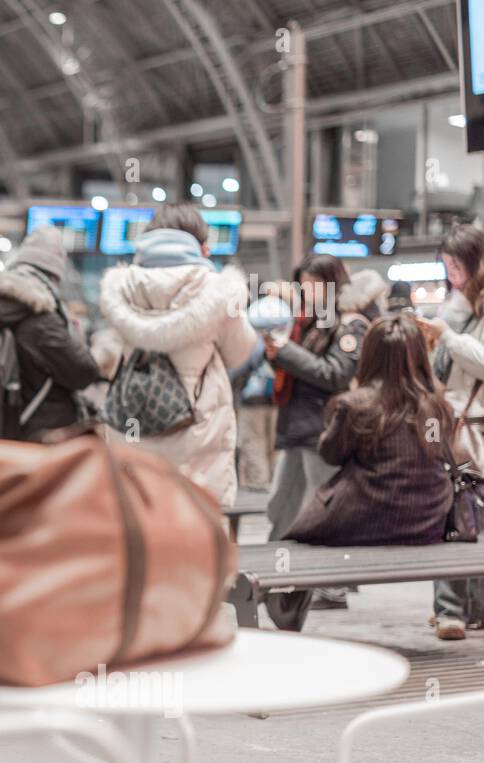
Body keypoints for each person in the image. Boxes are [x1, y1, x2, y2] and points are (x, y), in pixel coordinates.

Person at [96, 203, 256, 507]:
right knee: (198, 519)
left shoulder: (119, 288)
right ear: (199, 243)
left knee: (137, 515)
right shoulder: (218, 289)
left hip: (132, 422)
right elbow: (239, 353)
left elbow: (107, 354)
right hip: (196, 428)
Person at [264, 255, 384, 611]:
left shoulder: (350, 322)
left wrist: (286, 352)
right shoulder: (313, 320)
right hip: (301, 427)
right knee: (283, 505)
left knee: (325, 508)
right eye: (303, 284)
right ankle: (275, 577)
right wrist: (278, 353)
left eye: (314, 284)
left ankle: (334, 585)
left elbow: (334, 374)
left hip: (326, 429)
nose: (307, 291)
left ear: (333, 283)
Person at [285, 314, 454, 549]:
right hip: (427, 521)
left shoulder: (356, 405)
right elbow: (435, 453)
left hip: (365, 519)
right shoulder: (435, 407)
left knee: (294, 538)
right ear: (420, 356)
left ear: (370, 355)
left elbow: (331, 454)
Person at [0, 226, 100, 442]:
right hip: (45, 433)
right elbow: (83, 373)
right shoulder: (41, 319)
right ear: (54, 271)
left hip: (4, 424)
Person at [416, 224, 484, 639]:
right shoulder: (455, 307)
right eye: (447, 267)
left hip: (473, 428)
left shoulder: (465, 314)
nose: (452, 275)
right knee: (457, 516)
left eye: (456, 266)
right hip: (455, 425)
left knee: (464, 518)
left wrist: (448, 337)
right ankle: (451, 610)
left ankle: (458, 611)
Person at [232, 282, 294, 491]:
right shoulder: (288, 322)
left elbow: (238, 363)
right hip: (279, 395)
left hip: (251, 398)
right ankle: (277, 490)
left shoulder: (252, 319)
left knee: (254, 445)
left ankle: (258, 492)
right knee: (276, 448)